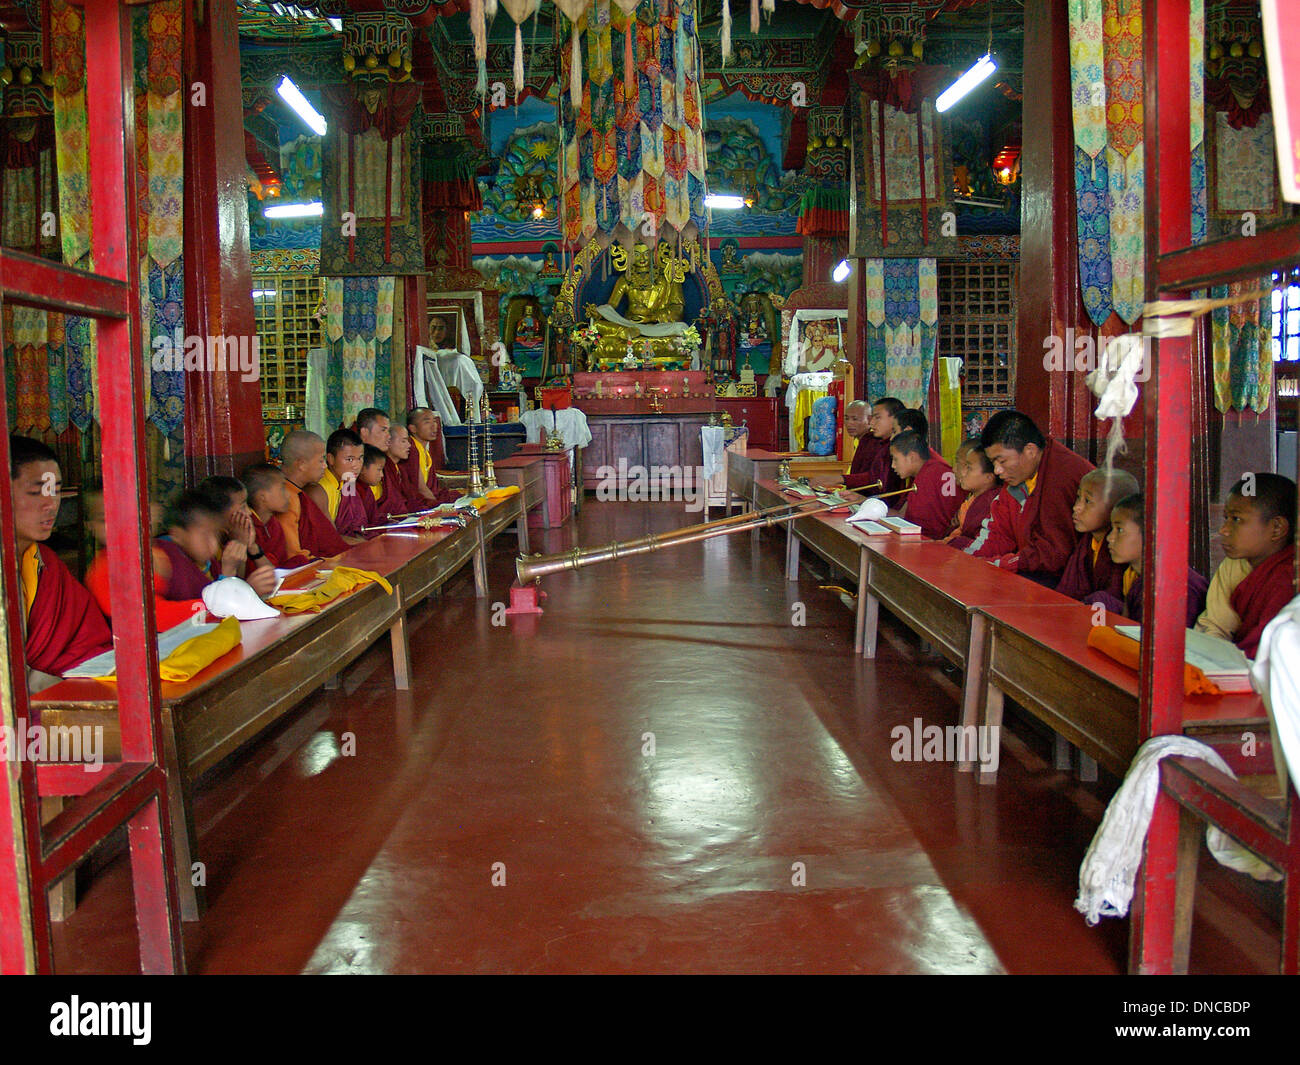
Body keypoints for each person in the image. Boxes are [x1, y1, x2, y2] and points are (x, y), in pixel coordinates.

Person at [10, 435, 112, 688]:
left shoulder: (47, 564)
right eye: (37, 492)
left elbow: (88, 643)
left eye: (55, 491)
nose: (51, 504)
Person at [966, 409, 1095, 587]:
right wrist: (967, 562)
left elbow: (1054, 554)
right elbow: (999, 533)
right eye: (993, 463)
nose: (997, 471)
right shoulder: (1018, 478)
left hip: (1064, 581)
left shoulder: (1062, 475)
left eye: (1001, 461)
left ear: (1030, 451)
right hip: (1034, 568)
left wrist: (1002, 564)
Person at [1196, 473, 1297, 658]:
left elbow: (1266, 653)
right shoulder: (1234, 565)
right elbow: (1214, 627)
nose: (1223, 530)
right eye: (1225, 518)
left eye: (1236, 519)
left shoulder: (1289, 575)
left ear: (1277, 528)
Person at [1084, 492, 1208, 626]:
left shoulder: (1174, 587)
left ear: (1151, 534)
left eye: (1119, 530)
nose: (1109, 538)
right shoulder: (1140, 582)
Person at [1055, 468, 1140, 602]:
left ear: (1114, 508)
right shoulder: (1088, 542)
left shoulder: (1121, 549)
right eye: (1078, 497)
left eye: (1087, 501)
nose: (1076, 507)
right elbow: (1068, 589)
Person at [275, 430, 351, 560]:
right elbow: (294, 556)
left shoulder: (300, 492)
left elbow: (330, 541)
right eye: (321, 460)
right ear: (301, 464)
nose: (325, 466)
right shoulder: (285, 498)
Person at [198, 475, 278, 597]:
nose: (249, 512)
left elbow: (273, 579)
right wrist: (249, 589)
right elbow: (216, 602)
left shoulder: (229, 537)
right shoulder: (203, 547)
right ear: (218, 513)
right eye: (242, 507)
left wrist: (251, 547)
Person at [887, 430, 962, 539]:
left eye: (895, 459)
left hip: (932, 542)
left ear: (912, 457)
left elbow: (912, 521)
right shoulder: (935, 470)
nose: (893, 465)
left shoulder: (927, 476)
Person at [242, 462, 309, 568]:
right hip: (259, 580)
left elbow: (280, 562)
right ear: (262, 496)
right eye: (282, 488)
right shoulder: (247, 526)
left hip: (274, 574)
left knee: (301, 561)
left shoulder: (274, 524)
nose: (287, 495)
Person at [310, 428, 367, 542]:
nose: (356, 465)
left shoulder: (347, 482)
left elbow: (355, 523)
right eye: (349, 459)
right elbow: (326, 537)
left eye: (360, 458)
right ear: (330, 459)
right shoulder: (321, 489)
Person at [941, 437, 999, 550]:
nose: (961, 472)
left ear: (988, 477)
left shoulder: (991, 504)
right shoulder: (972, 499)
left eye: (969, 468)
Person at [843, 396, 904, 494]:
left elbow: (877, 480)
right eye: (846, 418)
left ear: (895, 418)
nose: (871, 423)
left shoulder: (901, 446)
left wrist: (842, 479)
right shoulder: (868, 439)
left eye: (877, 417)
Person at [402, 408, 458, 505]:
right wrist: (438, 507)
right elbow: (420, 488)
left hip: (427, 499)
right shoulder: (411, 450)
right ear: (413, 428)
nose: (434, 426)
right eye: (427, 422)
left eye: (434, 421)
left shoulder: (424, 450)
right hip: (417, 502)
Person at [358, 444, 389, 532]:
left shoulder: (367, 489)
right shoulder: (354, 491)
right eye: (379, 470)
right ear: (362, 469)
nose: (382, 475)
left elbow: (374, 518)